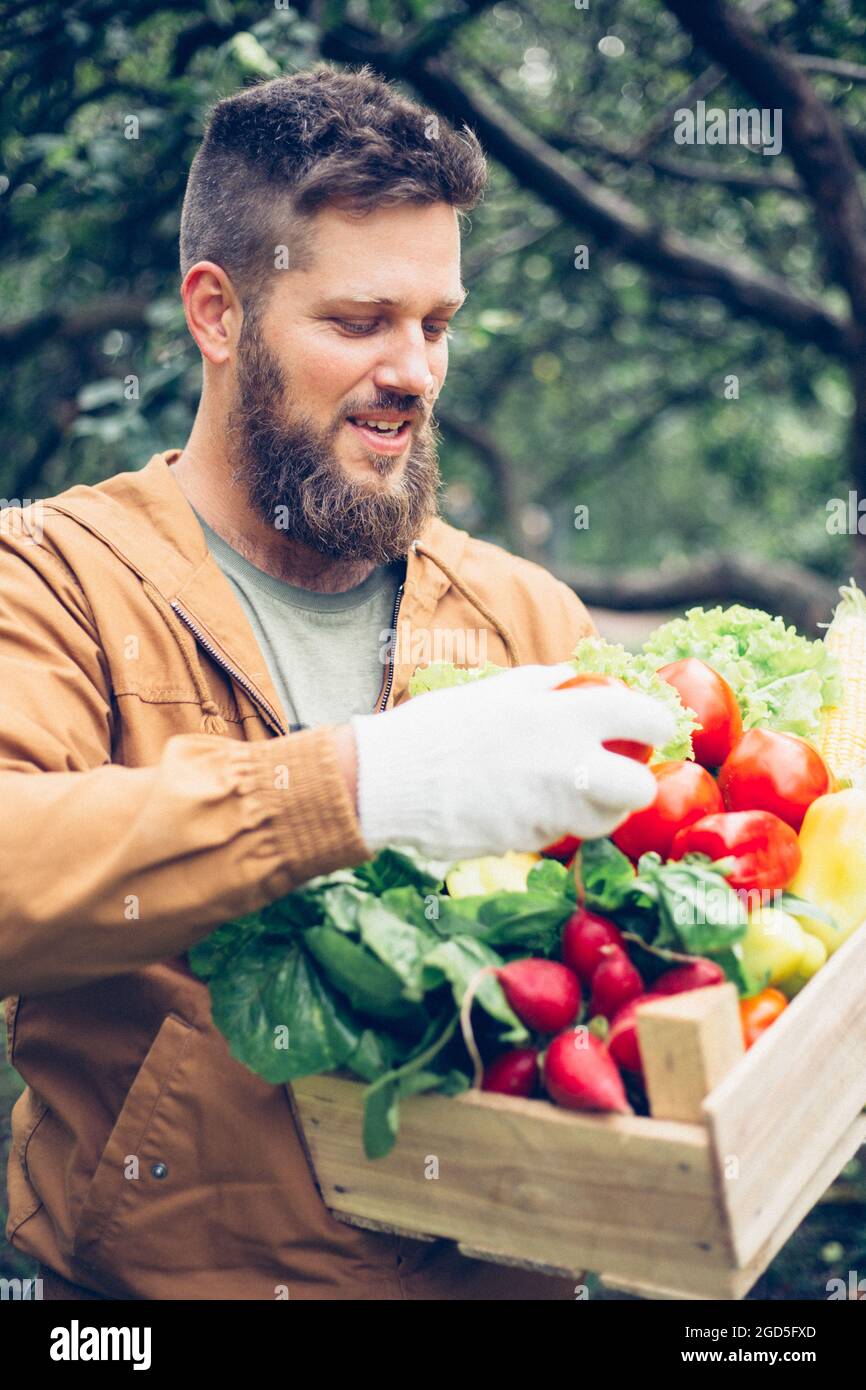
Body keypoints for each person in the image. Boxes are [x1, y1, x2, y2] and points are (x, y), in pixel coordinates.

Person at [2, 63, 673, 1301]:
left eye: (437, 324)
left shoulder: (523, 613)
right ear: (216, 313)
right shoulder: (56, 577)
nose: (413, 371)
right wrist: (353, 790)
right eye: (359, 323)